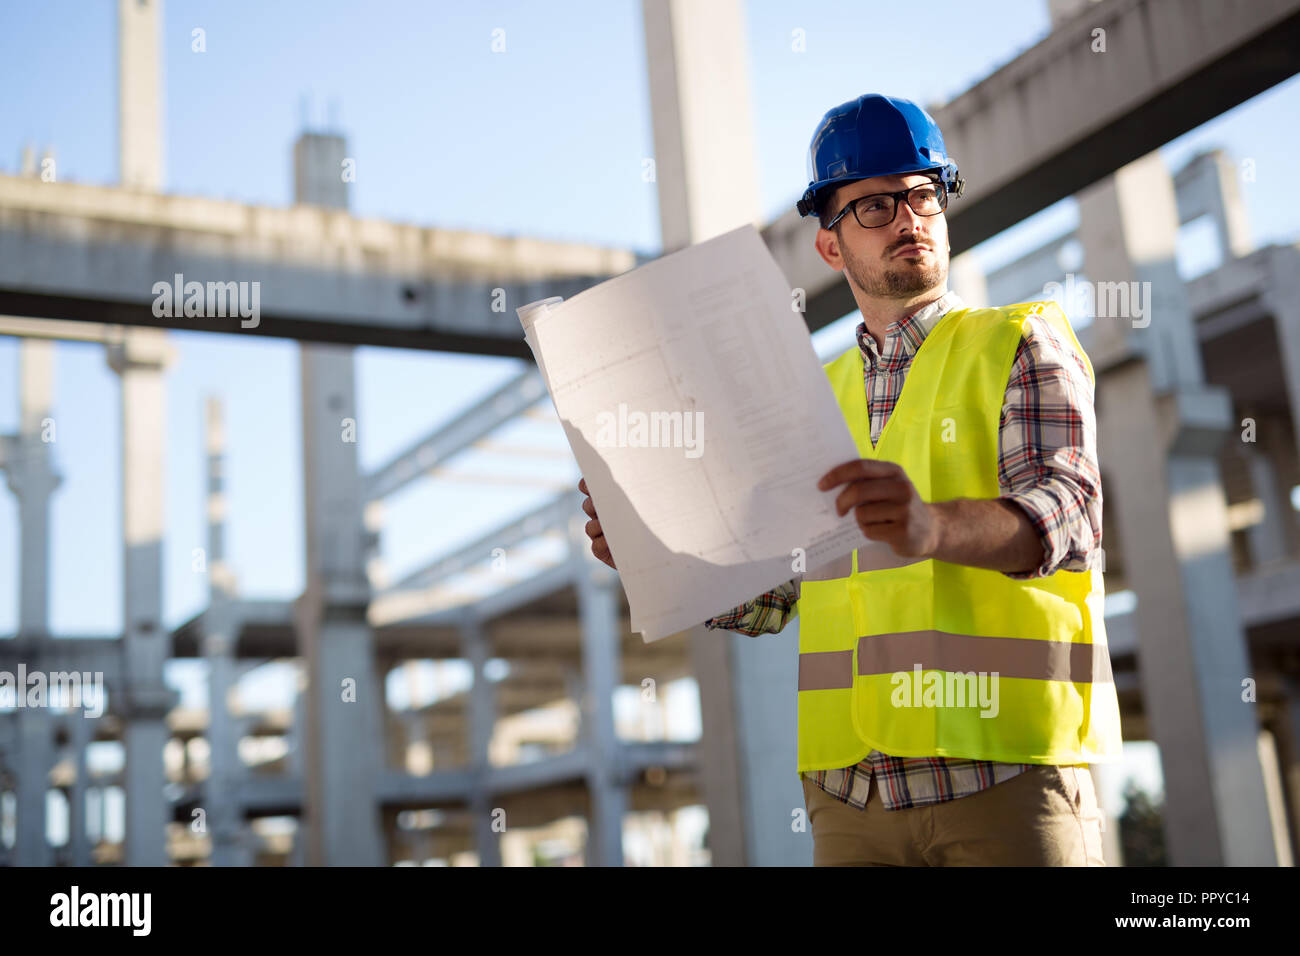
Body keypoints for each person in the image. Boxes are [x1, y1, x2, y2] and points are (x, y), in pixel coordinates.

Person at [579, 93, 1121, 866]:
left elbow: (1069, 515)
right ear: (831, 248)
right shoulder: (809, 396)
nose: (909, 218)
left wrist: (931, 528)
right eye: (875, 205)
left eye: (924, 194)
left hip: (1004, 776)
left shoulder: (1019, 342)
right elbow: (775, 596)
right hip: (849, 800)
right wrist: (655, 555)